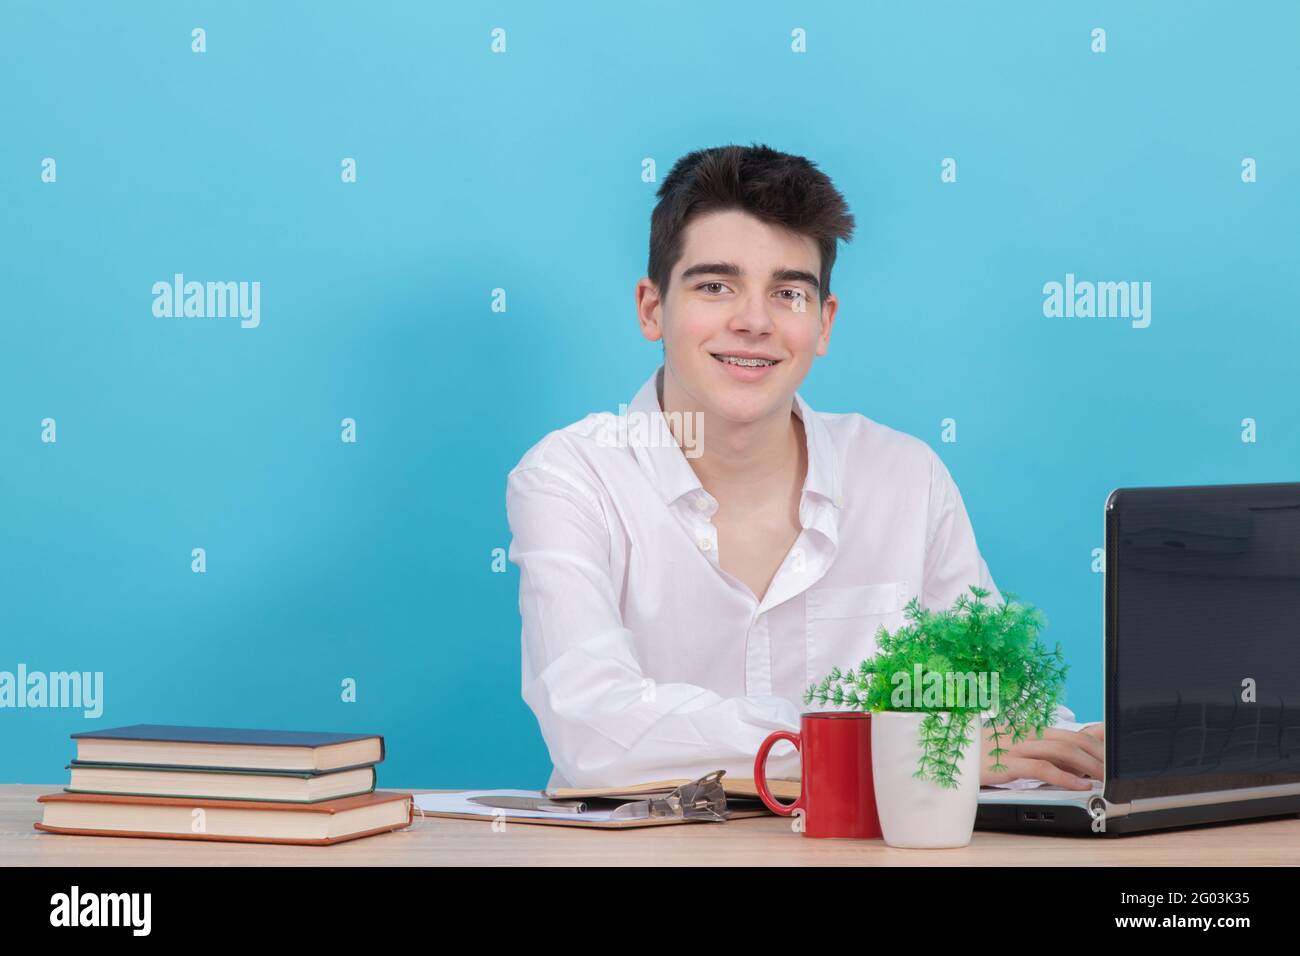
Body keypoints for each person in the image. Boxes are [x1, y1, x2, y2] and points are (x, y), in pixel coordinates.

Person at [506, 142, 1103, 792]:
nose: (754, 321)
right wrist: (897, 744)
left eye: (789, 292)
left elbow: (999, 716)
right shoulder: (573, 477)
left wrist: (1070, 749)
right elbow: (596, 729)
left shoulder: (903, 476)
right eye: (714, 286)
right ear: (652, 308)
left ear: (823, 323)